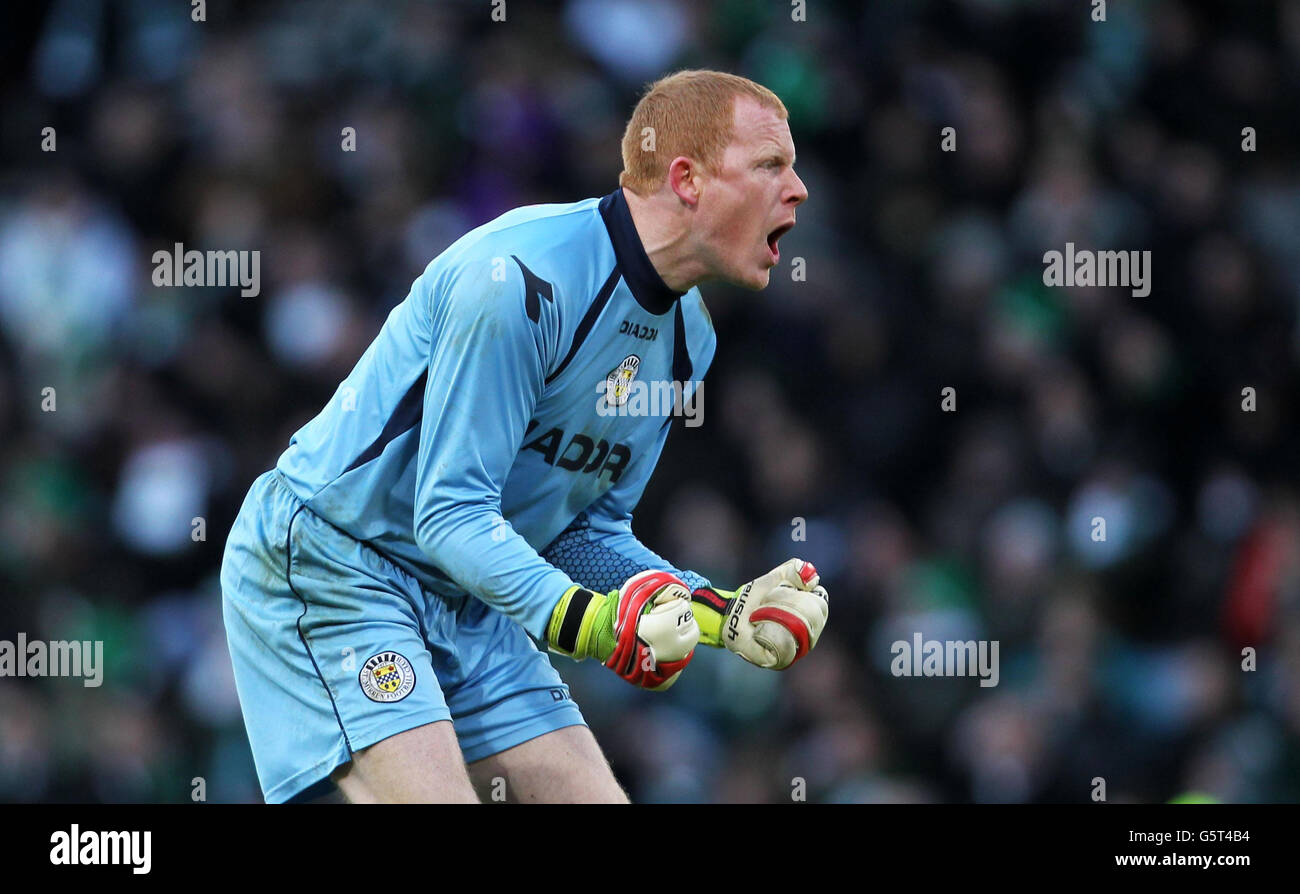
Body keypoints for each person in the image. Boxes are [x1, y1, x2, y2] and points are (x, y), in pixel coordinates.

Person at [220, 69, 828, 804]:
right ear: (687, 179)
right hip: (340, 559)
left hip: (471, 595)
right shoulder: (516, 281)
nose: (797, 190)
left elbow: (582, 530)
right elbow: (448, 512)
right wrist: (595, 626)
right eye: (771, 166)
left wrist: (717, 614)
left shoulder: (690, 341)